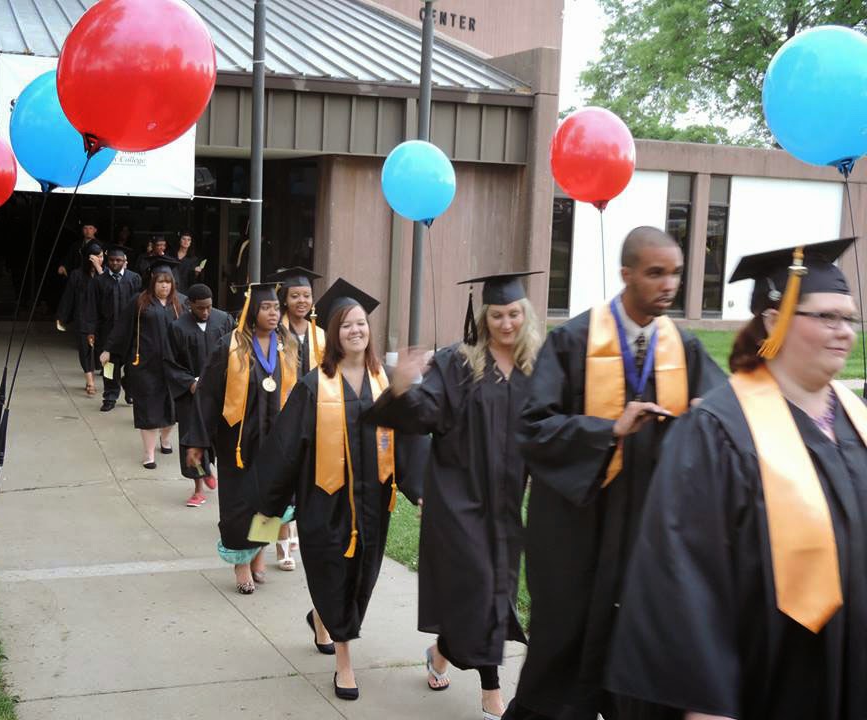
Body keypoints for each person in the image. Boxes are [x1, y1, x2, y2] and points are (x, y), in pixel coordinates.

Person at [607, 238, 867, 720]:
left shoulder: (856, 419)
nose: (844, 332)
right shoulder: (719, 432)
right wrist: (705, 707)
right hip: (769, 684)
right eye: (826, 317)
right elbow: (683, 581)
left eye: (848, 318)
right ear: (775, 322)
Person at [509, 227, 726, 720]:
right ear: (626, 274)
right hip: (577, 532)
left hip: (645, 534)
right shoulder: (572, 341)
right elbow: (531, 428)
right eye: (656, 273)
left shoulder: (684, 348)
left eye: (675, 273)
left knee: (643, 655)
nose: (668, 284)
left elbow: (726, 414)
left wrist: (705, 415)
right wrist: (608, 429)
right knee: (563, 659)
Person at [366, 272, 543, 719]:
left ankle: (442, 651)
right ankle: (491, 691)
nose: (506, 323)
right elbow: (422, 414)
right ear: (484, 316)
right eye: (498, 315)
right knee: (484, 591)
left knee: (490, 593)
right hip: (459, 502)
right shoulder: (460, 363)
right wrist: (403, 386)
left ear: (527, 314)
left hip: (506, 506)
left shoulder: (538, 367)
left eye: (514, 314)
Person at [245, 278, 424, 702]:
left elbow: (410, 439)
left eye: (361, 324)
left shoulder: (384, 381)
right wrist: (266, 518)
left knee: (362, 579)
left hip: (373, 505)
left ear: (369, 330)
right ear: (334, 333)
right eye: (346, 325)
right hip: (324, 504)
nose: (355, 331)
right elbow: (285, 452)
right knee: (333, 576)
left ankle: (322, 618)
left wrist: (421, 491)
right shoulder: (313, 386)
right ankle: (344, 662)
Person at [183, 282, 300, 594]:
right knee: (239, 504)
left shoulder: (287, 344)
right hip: (238, 441)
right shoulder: (229, 346)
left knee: (272, 502)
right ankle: (241, 562)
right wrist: (198, 440)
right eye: (266, 307)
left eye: (276, 307)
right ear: (252, 311)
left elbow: (298, 393)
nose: (274, 313)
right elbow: (207, 395)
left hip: (276, 442)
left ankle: (259, 553)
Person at [269, 265, 327, 569]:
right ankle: (277, 544)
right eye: (295, 296)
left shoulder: (321, 334)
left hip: (315, 418)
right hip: (279, 417)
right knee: (277, 482)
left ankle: (293, 535)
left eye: (306, 295)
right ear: (285, 300)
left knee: (306, 481)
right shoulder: (274, 332)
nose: (301, 300)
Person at [102, 257, 184, 469]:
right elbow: (122, 327)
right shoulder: (140, 302)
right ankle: (149, 454)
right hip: (145, 364)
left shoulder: (180, 303)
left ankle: (165, 440)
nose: (164, 285)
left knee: (171, 406)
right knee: (148, 407)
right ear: (152, 282)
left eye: (168, 281)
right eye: (160, 281)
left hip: (173, 365)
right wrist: (109, 349)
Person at [165, 284, 234, 507]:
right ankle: (198, 489)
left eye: (209, 307)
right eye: (200, 308)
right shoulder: (177, 327)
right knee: (192, 438)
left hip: (219, 391)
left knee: (219, 435)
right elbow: (170, 361)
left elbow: (235, 353)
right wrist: (189, 383)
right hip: (191, 393)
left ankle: (208, 469)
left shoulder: (223, 320)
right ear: (190, 305)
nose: (206, 312)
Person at [96, 245, 142, 411]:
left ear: (125, 262)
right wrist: (91, 330)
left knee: (132, 366)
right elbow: (93, 307)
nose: (115, 263)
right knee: (109, 367)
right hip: (108, 331)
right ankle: (110, 396)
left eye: (119, 260)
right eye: (112, 260)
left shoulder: (134, 278)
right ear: (107, 261)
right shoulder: (100, 281)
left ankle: (129, 390)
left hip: (129, 332)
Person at [56, 241, 105, 396]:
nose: (99, 259)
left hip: (102, 319)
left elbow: (110, 292)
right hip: (83, 317)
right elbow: (68, 297)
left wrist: (99, 269)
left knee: (101, 351)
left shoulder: (105, 275)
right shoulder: (77, 275)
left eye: (101, 256)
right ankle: (90, 381)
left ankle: (104, 380)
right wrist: (62, 316)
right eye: (96, 256)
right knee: (85, 350)